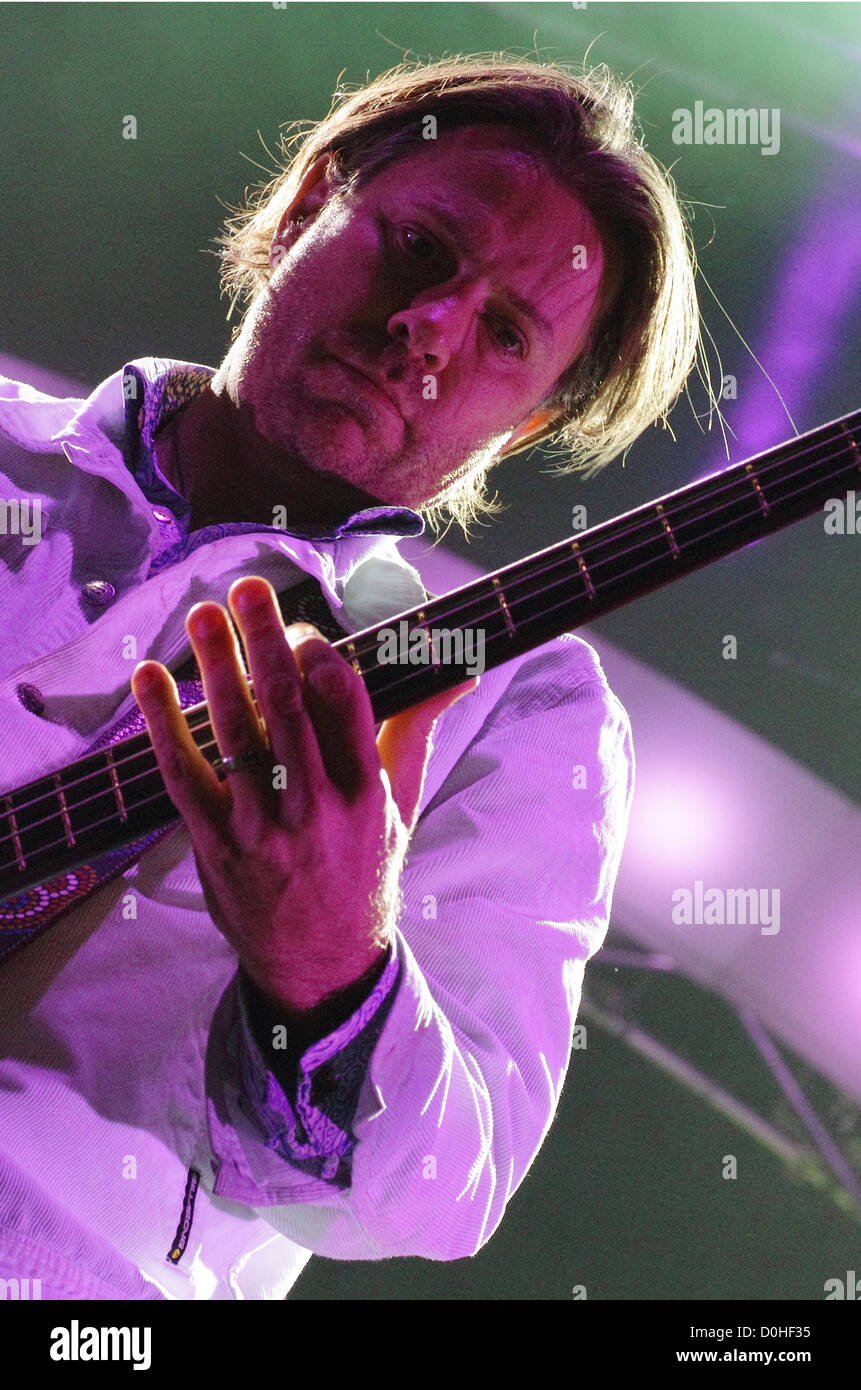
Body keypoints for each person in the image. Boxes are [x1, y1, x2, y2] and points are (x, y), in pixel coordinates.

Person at [0, 54, 698, 1299]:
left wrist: (332, 970)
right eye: (421, 247)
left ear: (525, 422)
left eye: (502, 333)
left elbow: (447, 1188)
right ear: (310, 199)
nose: (426, 328)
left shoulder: (513, 705)